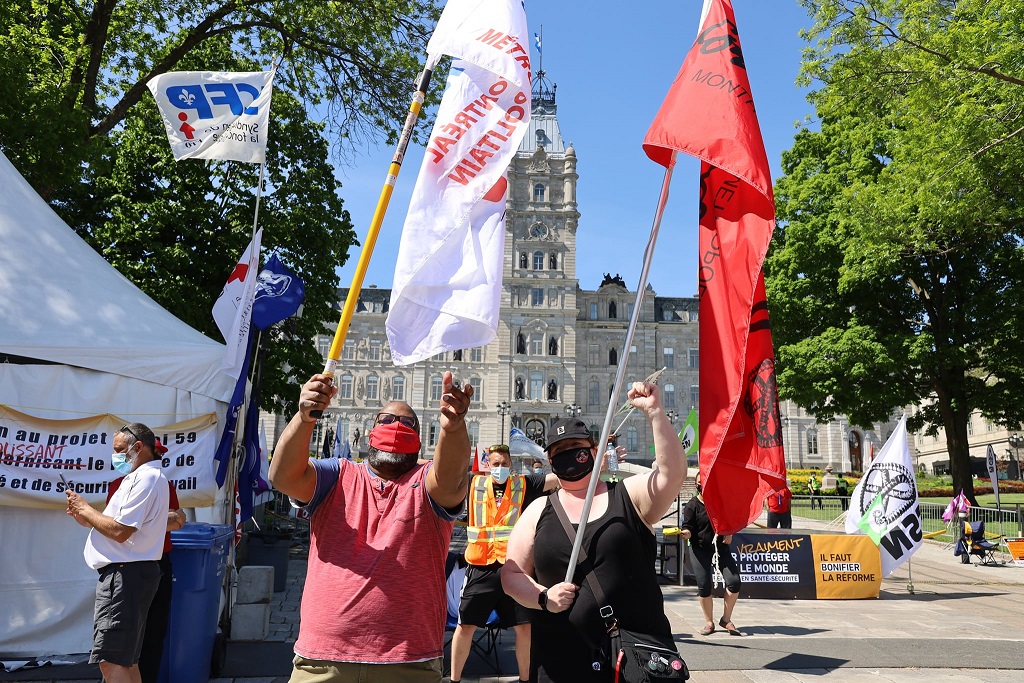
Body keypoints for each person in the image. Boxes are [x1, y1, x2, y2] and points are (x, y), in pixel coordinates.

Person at [269, 371, 473, 682]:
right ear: (370, 433)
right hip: (323, 661)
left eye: (408, 424)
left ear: (419, 440)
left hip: (408, 663)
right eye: (386, 420)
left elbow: (451, 479)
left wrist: (454, 428)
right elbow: (283, 477)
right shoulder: (337, 475)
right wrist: (304, 417)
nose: (396, 426)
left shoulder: (426, 482)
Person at [501, 381, 685, 682]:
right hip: (560, 662)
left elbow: (671, 475)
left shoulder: (628, 496)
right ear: (550, 460)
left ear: (595, 451)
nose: (569, 454)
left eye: (576, 447)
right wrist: (543, 597)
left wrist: (655, 413)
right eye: (560, 450)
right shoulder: (538, 510)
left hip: (630, 661)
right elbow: (511, 575)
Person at [66, 423, 170, 683]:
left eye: (120, 450)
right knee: (126, 660)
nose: (115, 457)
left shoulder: (146, 478)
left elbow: (121, 531)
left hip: (124, 575)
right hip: (127, 574)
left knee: (111, 660)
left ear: (138, 447)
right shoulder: (140, 478)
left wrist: (86, 508)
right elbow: (115, 525)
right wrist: (86, 517)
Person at [450, 444, 559, 683]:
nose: (500, 468)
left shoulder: (523, 484)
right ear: (488, 465)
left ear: (511, 465)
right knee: (465, 626)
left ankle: (525, 680)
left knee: (524, 627)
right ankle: (455, 680)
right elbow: (441, 472)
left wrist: (592, 464)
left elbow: (556, 478)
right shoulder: (474, 482)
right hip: (480, 567)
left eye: (504, 464)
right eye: (496, 464)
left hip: (514, 568)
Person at [104, 438, 185, 683]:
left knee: (153, 631)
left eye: (159, 455)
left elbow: (177, 521)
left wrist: (155, 520)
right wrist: (163, 518)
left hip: (158, 562)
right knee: (123, 635)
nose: (156, 460)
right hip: (128, 565)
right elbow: (119, 526)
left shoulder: (164, 485)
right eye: (154, 454)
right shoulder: (119, 485)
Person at [680, 471, 742, 637]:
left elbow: (728, 520)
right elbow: (688, 526)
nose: (703, 485)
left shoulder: (720, 502)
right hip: (699, 549)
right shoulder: (692, 505)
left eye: (705, 482)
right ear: (696, 485)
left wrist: (729, 532)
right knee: (704, 585)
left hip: (720, 548)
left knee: (734, 582)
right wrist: (686, 533)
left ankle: (726, 619)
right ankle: (709, 622)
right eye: (699, 483)